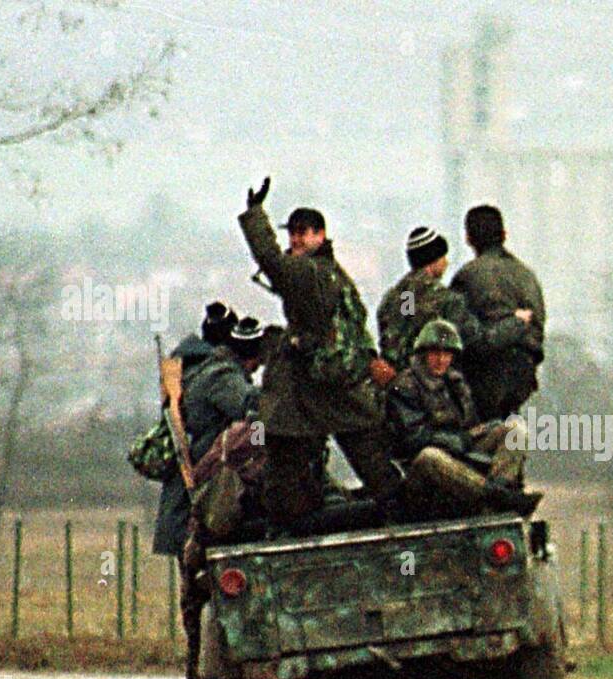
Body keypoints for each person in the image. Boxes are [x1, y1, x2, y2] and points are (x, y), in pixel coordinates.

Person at [237, 177, 401, 527]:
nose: (296, 239)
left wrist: (255, 216)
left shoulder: (306, 271)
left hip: (310, 386)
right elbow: (355, 322)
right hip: (339, 383)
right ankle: (401, 512)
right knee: (367, 453)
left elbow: (269, 259)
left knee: (287, 468)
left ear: (320, 235)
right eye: (292, 232)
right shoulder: (335, 274)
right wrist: (369, 361)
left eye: (304, 231)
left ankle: (295, 527)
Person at [176, 314, 268, 679]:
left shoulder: (211, 372)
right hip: (215, 488)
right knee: (201, 580)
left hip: (215, 486)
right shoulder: (222, 379)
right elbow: (253, 412)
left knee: (200, 580)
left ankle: (202, 666)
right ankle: (203, 666)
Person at [387, 320, 541, 518]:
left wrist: (485, 430)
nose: (441, 359)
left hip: (459, 454)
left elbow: (469, 425)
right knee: (429, 457)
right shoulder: (405, 386)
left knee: (515, 430)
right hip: (422, 470)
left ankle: (498, 496)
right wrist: (456, 441)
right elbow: (413, 438)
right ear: (423, 354)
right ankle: (498, 497)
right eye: (435, 353)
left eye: (446, 353)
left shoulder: (455, 383)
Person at [151, 301, 240, 558]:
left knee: (195, 585)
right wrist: (259, 441)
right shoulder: (218, 376)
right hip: (203, 498)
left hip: (185, 501)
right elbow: (251, 412)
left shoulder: (186, 373)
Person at [448, 205, 546, 421]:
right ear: (503, 235)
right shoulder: (526, 275)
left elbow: (456, 333)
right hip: (522, 375)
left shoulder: (466, 277)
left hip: (481, 376)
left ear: (468, 238)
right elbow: (538, 329)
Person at [376, 226, 477, 372]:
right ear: (433, 259)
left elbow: (403, 327)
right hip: (431, 386)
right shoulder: (447, 299)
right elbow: (472, 339)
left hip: (396, 384)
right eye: (443, 257)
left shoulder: (398, 296)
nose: (446, 263)